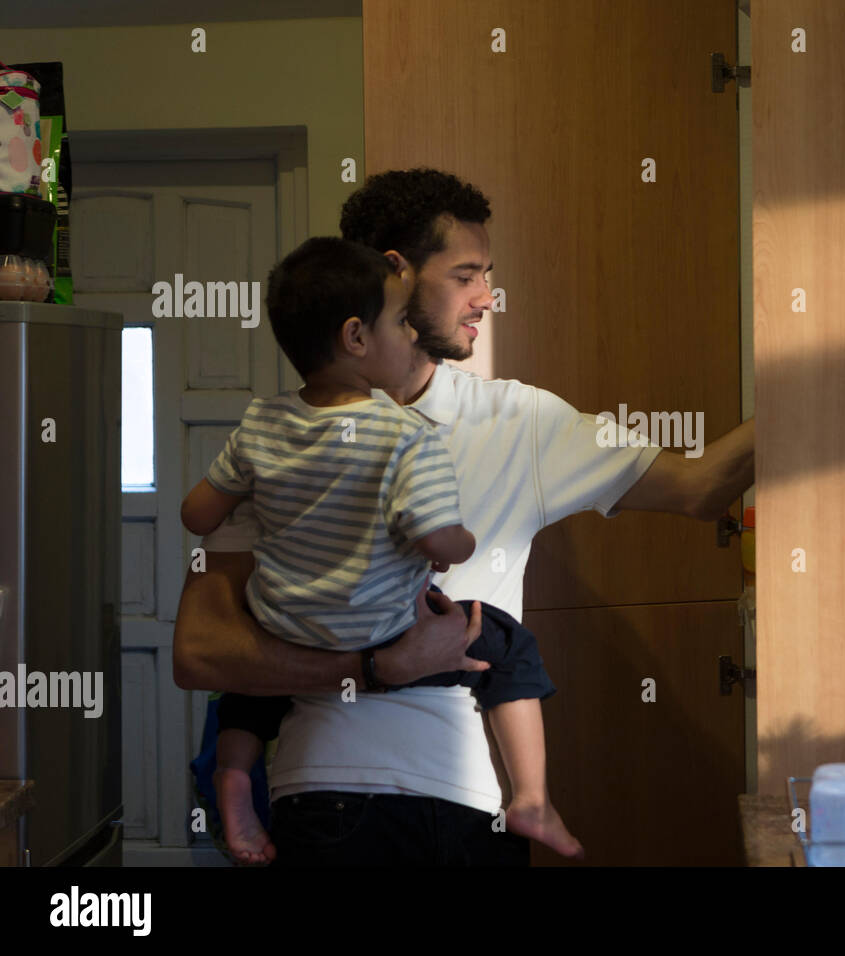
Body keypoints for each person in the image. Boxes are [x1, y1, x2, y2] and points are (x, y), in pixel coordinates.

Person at [173, 167, 755, 866]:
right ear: (397, 272)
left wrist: (797, 393)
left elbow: (698, 489)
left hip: (470, 810)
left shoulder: (521, 421)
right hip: (326, 798)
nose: (486, 296)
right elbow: (199, 651)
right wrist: (377, 665)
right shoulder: (281, 439)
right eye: (466, 275)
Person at [180, 235, 581, 863]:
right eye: (401, 321)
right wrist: (460, 539)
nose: (414, 334)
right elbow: (436, 542)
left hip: (289, 628)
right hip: (385, 629)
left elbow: (195, 511)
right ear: (356, 338)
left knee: (248, 687)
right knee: (506, 644)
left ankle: (232, 784)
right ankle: (531, 796)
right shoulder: (402, 434)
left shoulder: (259, 425)